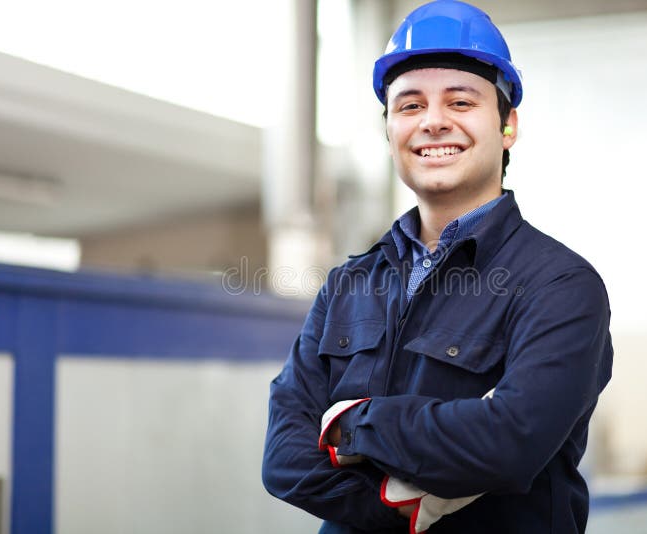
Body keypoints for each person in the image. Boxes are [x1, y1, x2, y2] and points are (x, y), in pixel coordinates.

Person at [262, 1, 613, 532]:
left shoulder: (560, 285)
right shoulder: (348, 284)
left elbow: (508, 444)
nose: (432, 121)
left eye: (461, 100)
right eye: (409, 106)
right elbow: (283, 460)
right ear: (388, 131)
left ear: (508, 125)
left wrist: (350, 422)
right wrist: (403, 508)